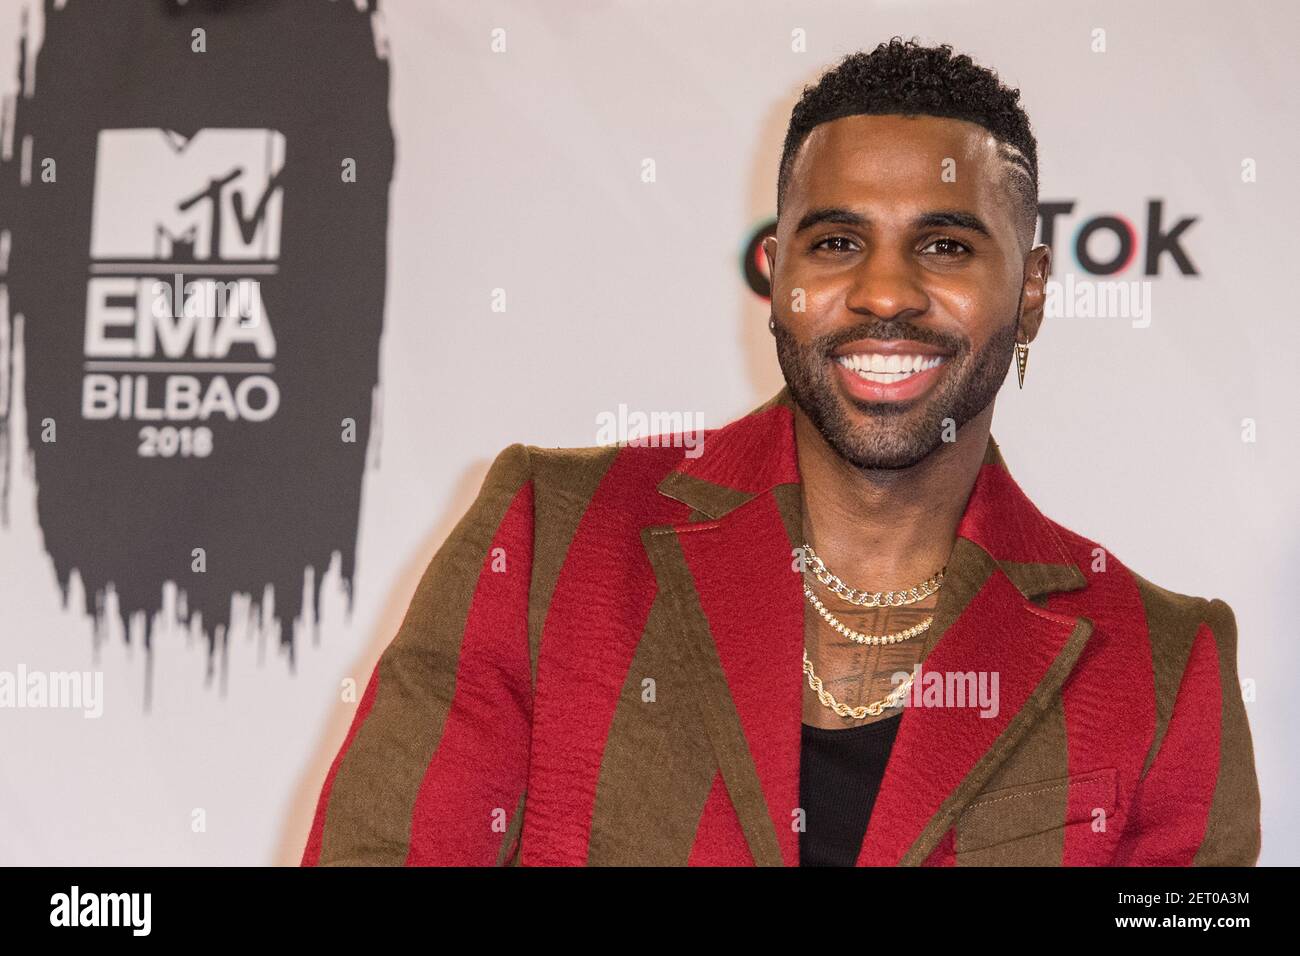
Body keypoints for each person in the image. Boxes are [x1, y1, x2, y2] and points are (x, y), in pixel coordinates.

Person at [302, 38, 1260, 867]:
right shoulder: (551, 539)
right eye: (838, 241)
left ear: (1035, 291)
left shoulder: (1164, 667)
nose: (886, 292)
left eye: (948, 247)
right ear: (779, 275)